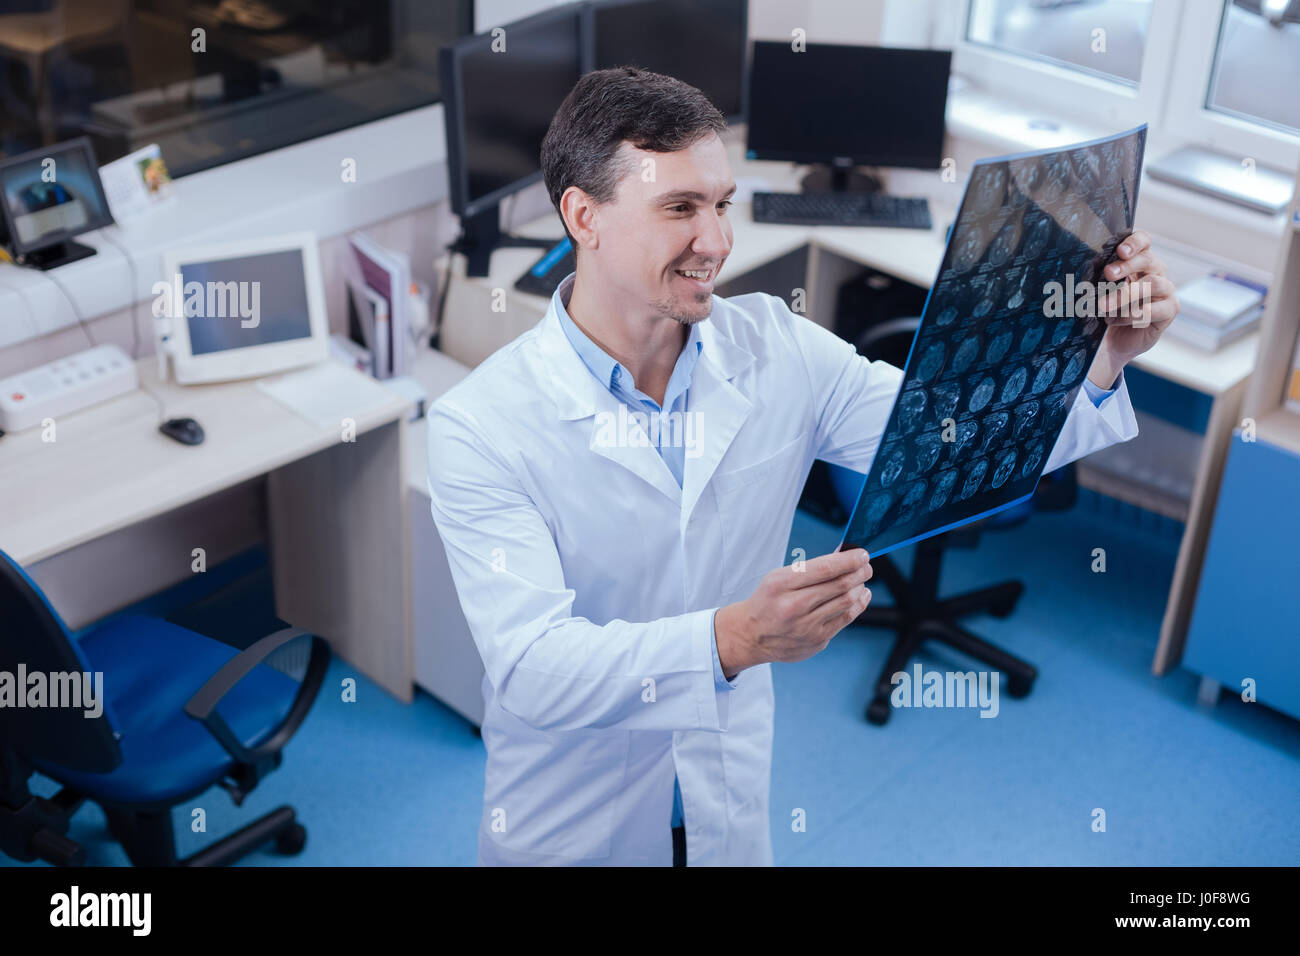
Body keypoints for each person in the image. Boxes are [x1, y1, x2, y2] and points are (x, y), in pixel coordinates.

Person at [426, 67, 1179, 866]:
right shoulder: (482, 428)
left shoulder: (777, 350)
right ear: (585, 216)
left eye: (720, 204)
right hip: (574, 813)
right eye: (679, 208)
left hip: (722, 779)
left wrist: (1101, 358)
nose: (715, 242)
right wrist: (733, 637)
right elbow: (536, 669)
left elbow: (958, 443)